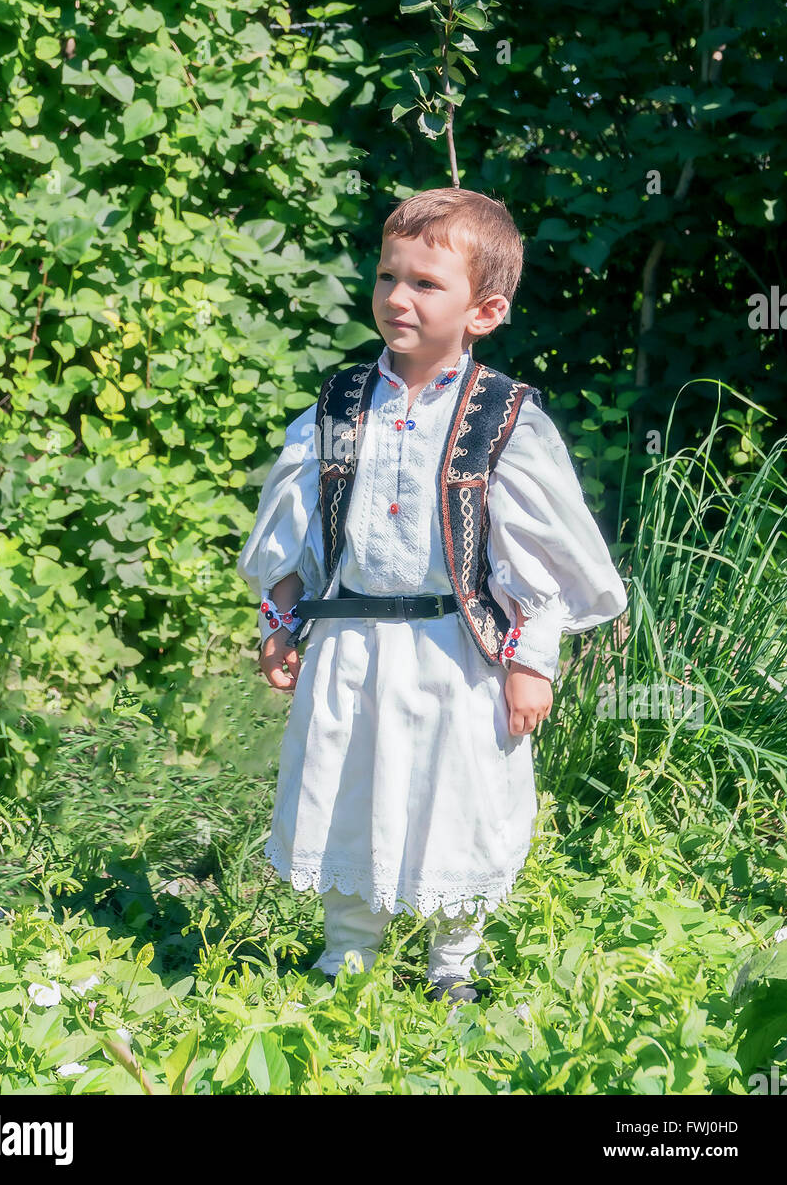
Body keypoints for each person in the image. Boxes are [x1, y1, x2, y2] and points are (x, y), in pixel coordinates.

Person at [236, 187, 628, 1004]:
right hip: (351, 648)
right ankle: (348, 953)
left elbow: (542, 559)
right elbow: (294, 526)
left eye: (424, 284)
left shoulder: (502, 418)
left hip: (462, 652)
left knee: (464, 795)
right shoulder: (339, 407)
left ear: (483, 311)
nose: (397, 298)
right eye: (387, 277)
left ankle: (455, 962)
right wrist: (282, 619)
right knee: (348, 786)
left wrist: (533, 662)